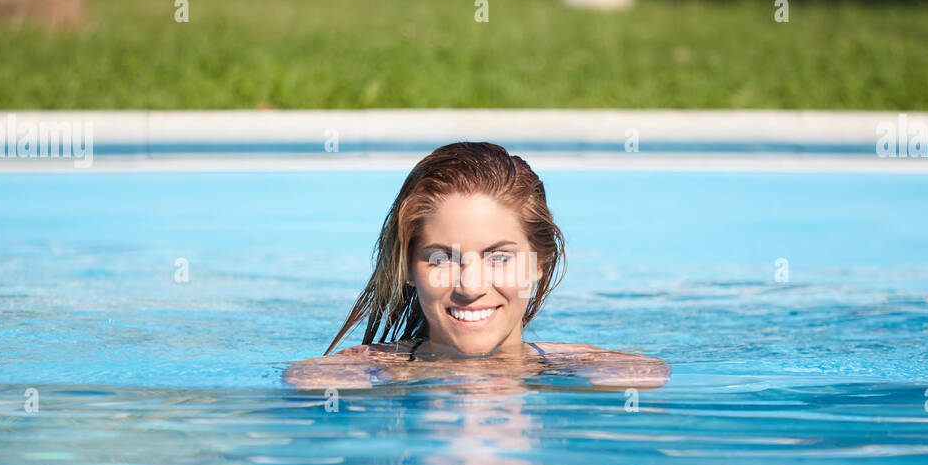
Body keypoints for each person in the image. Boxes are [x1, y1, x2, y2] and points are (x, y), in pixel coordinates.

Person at [284, 142, 669, 390]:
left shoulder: (584, 368)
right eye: (440, 259)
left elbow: (644, 375)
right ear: (407, 267)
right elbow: (308, 381)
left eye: (499, 257)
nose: (470, 286)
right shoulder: (348, 375)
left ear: (540, 262)